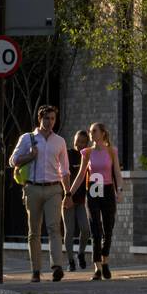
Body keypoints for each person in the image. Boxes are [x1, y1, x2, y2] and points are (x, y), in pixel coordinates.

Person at [9, 105, 72, 283]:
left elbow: (65, 170)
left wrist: (68, 193)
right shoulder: (27, 138)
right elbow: (13, 160)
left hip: (54, 188)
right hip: (33, 188)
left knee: (54, 227)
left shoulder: (59, 141)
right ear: (40, 119)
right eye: (46, 118)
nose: (50, 122)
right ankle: (35, 270)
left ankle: (57, 266)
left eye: (52, 119)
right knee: (34, 231)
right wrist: (29, 156)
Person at [67, 122, 124, 280]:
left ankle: (105, 261)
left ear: (103, 133)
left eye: (94, 131)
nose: (91, 134)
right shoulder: (87, 152)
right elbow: (80, 175)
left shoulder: (112, 152)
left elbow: (117, 173)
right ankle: (97, 267)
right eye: (90, 131)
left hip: (107, 190)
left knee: (108, 229)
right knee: (95, 230)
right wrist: (69, 193)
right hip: (93, 190)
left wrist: (119, 191)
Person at [63, 129, 90, 272]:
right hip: (67, 199)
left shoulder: (86, 156)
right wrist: (67, 196)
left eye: (83, 142)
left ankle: (80, 253)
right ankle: (70, 261)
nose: (79, 144)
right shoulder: (67, 155)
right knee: (69, 230)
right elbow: (62, 175)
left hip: (80, 200)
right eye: (78, 141)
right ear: (74, 140)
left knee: (85, 229)